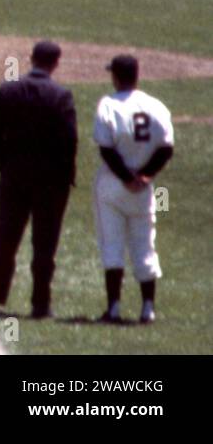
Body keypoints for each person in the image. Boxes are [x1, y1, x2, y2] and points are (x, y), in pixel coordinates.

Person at [0, 41, 78, 321]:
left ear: (31, 59)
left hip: (14, 177)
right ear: (55, 63)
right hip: (50, 182)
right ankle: (40, 304)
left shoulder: (9, 89)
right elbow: (69, 140)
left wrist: (1, 163)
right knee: (45, 246)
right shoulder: (61, 95)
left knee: (5, 241)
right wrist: (65, 175)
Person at [92, 55, 174, 325]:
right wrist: (145, 175)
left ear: (115, 76)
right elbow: (166, 148)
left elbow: (106, 148)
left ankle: (114, 308)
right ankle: (148, 308)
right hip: (144, 189)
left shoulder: (108, 105)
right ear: (137, 75)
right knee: (145, 244)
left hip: (113, 186)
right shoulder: (156, 106)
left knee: (112, 244)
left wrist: (126, 177)